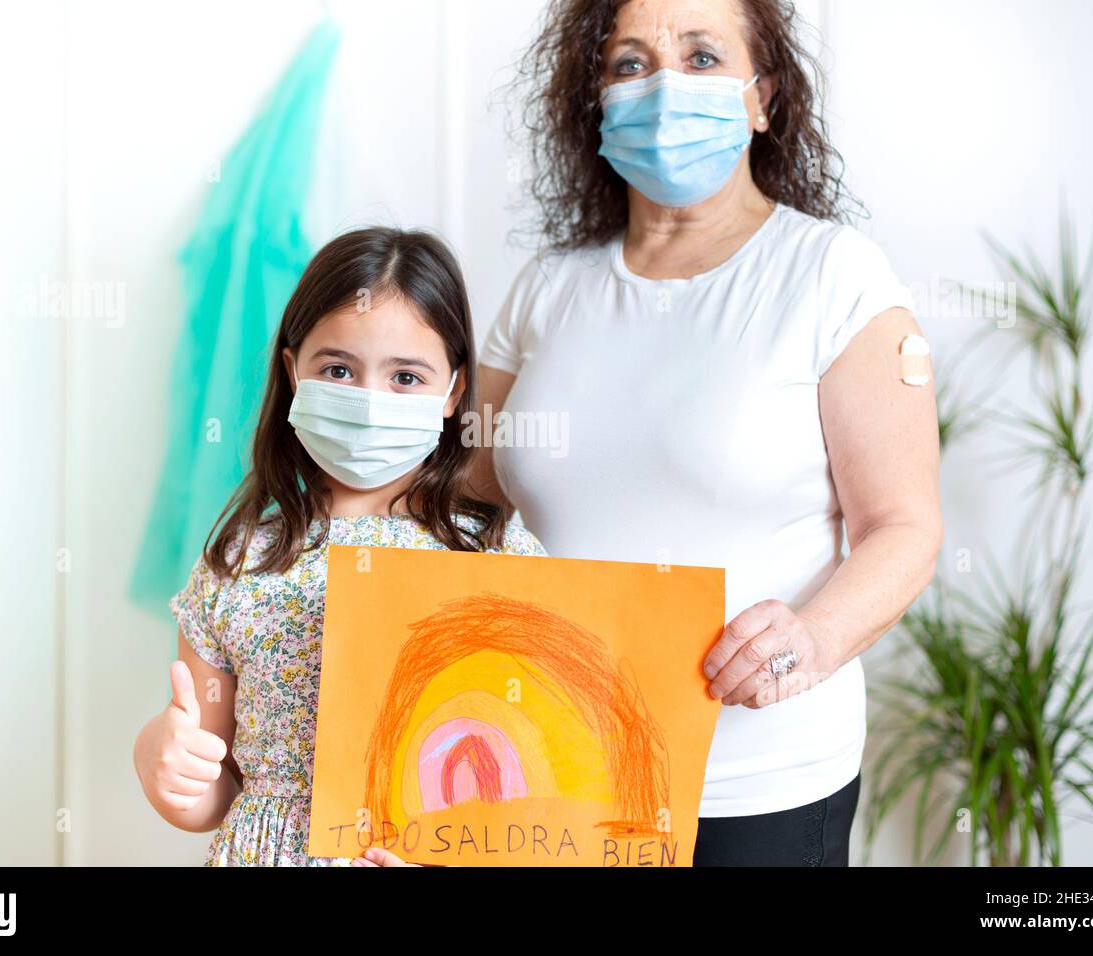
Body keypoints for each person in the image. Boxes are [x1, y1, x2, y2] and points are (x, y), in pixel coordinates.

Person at [473, 0, 943, 865]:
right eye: (629, 64)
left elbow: (904, 527)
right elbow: (467, 496)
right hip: (552, 771)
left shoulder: (835, 277)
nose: (663, 87)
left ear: (761, 98)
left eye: (700, 57)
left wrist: (816, 638)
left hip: (755, 789)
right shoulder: (546, 290)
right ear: (598, 102)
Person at [133, 227, 546, 866]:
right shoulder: (239, 562)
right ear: (294, 371)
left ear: (454, 392)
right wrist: (162, 758)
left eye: (406, 376)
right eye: (338, 369)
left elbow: (533, 792)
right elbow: (211, 793)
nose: (368, 402)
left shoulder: (499, 559)